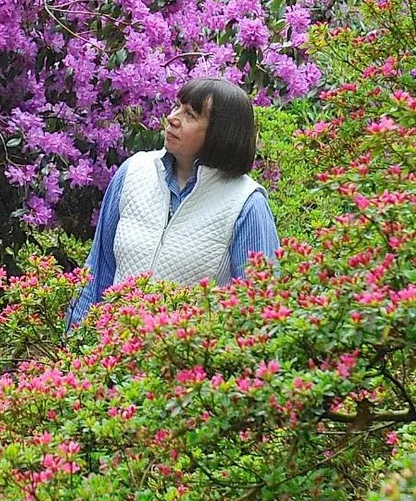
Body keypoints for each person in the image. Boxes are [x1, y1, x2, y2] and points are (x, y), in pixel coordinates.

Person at [66, 77, 281, 329]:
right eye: (177, 106)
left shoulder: (246, 204)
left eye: (190, 115)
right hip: (113, 349)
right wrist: (75, 340)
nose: (172, 118)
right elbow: (98, 269)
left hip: (188, 352)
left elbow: (258, 309)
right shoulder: (134, 172)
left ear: (220, 132)